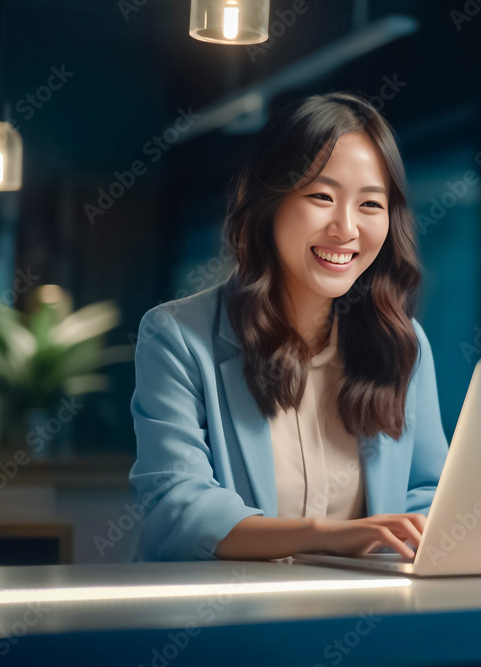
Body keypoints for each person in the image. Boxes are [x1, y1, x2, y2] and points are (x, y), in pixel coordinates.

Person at [129, 92, 449, 562]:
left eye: (370, 204)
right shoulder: (177, 336)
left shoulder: (403, 344)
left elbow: (428, 491)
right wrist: (324, 535)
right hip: (220, 605)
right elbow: (176, 508)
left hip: (362, 604)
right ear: (268, 201)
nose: (346, 228)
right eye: (321, 196)